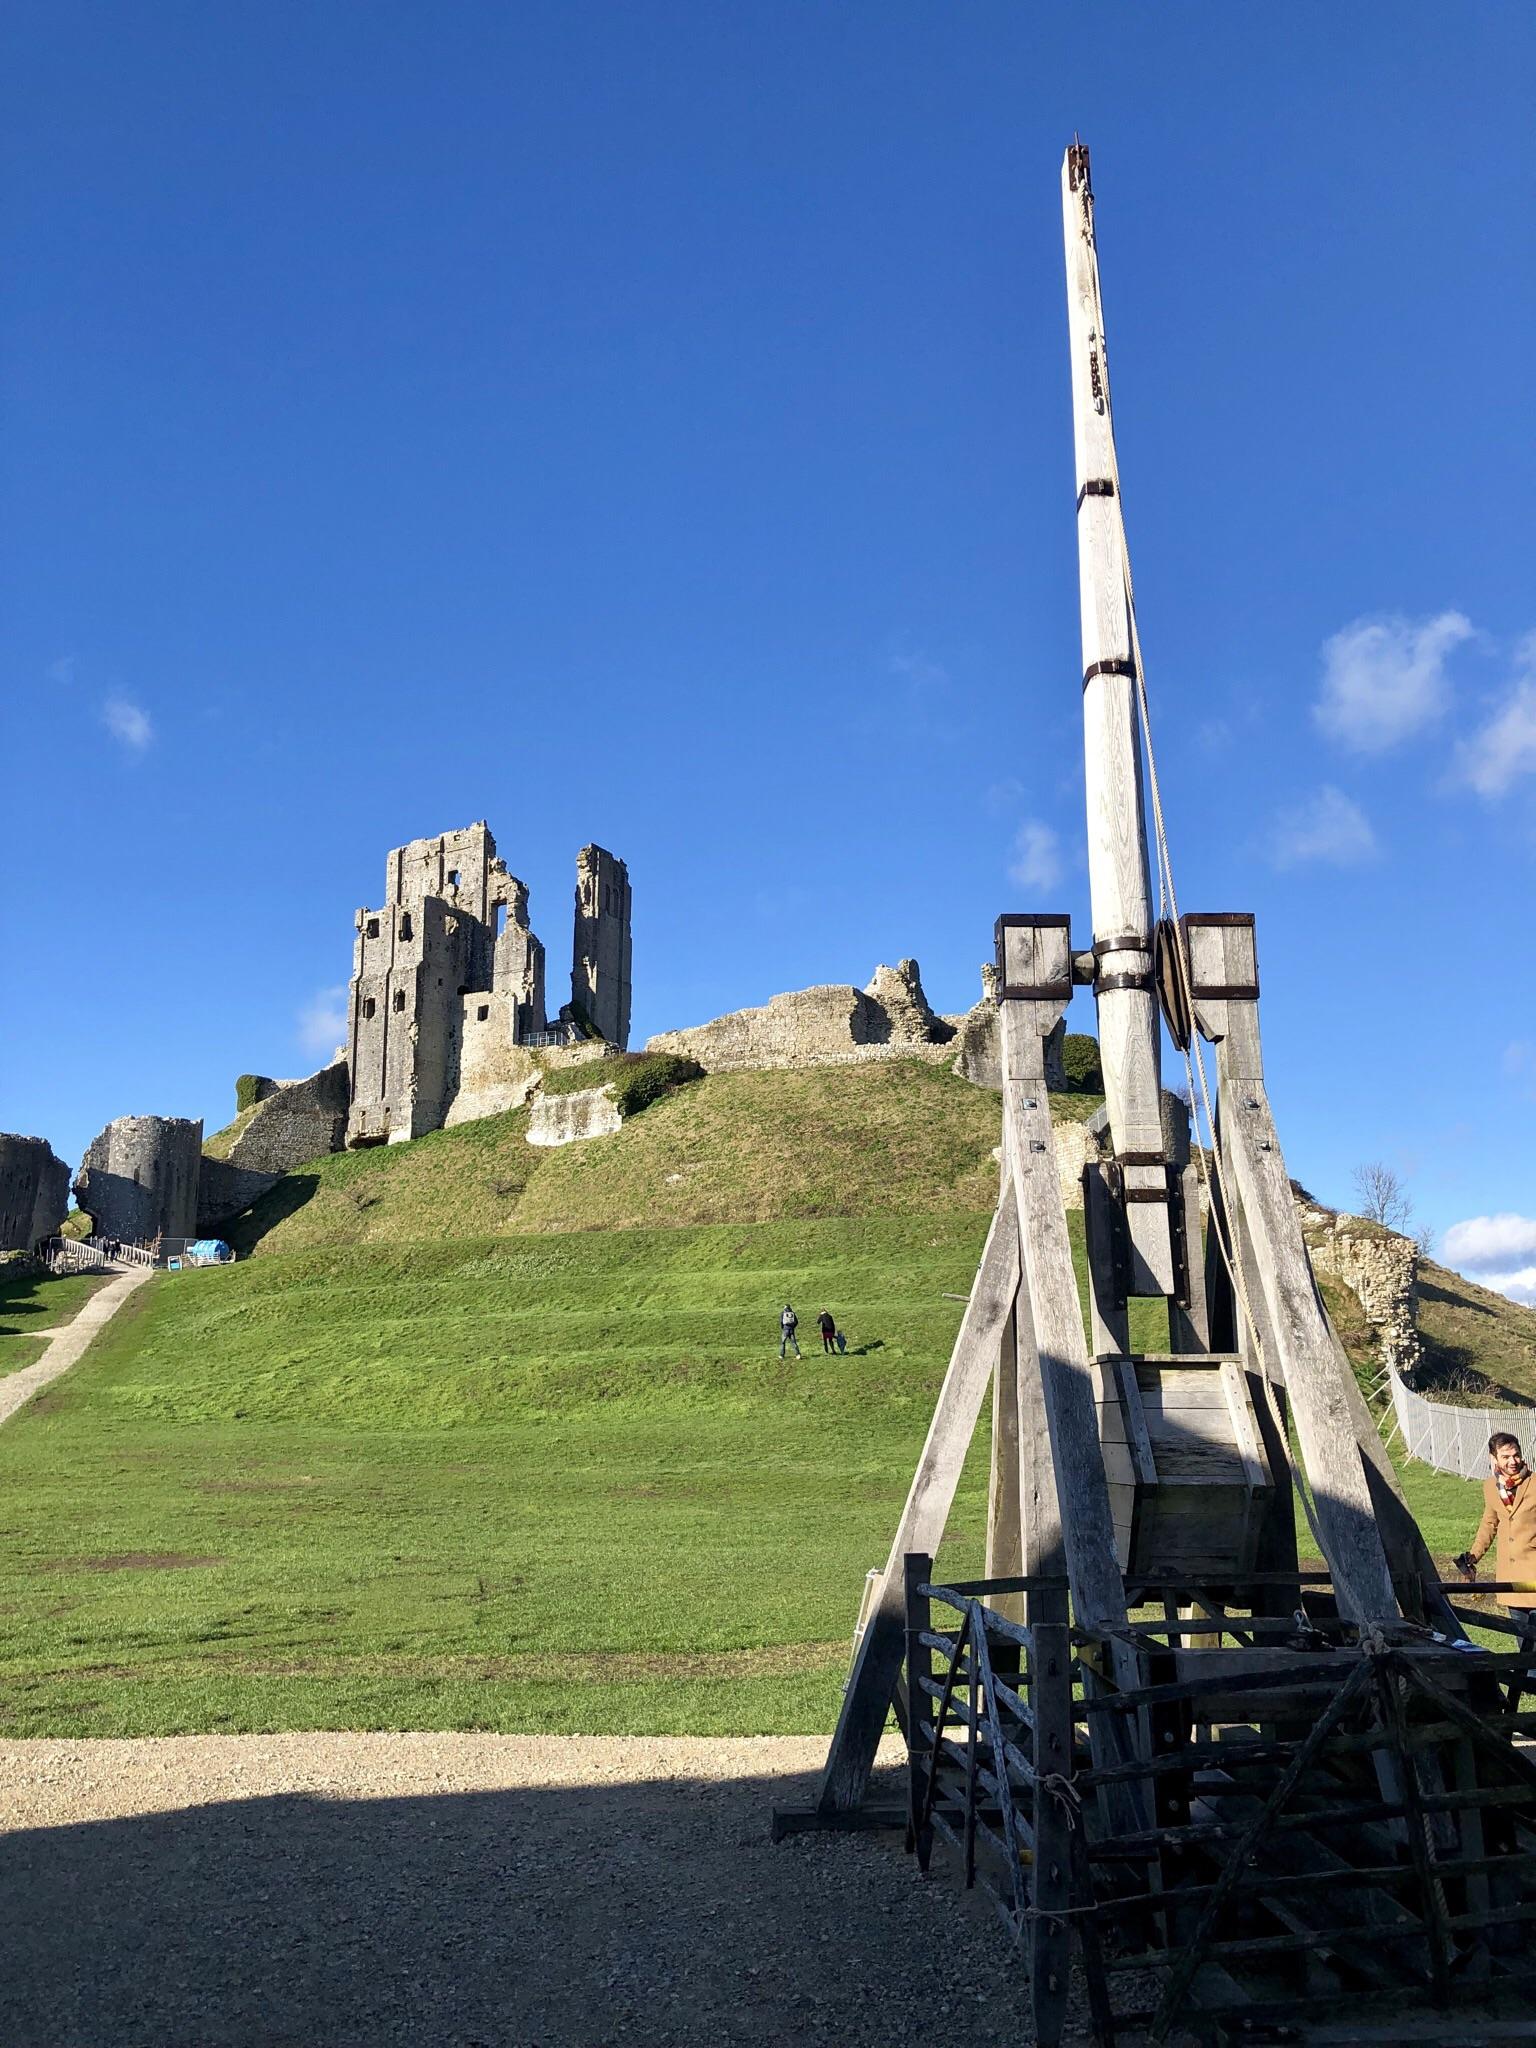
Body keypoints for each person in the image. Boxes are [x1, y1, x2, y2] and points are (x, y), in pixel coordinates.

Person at [1456, 1431, 1536, 1644]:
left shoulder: (1534, 1483)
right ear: (1494, 1459)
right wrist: (1473, 1556)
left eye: (1516, 1455)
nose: (1513, 1461)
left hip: (1534, 1574)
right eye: (1506, 1457)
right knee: (1523, 1646)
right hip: (1511, 1579)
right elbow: (1489, 1523)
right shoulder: (1491, 1487)